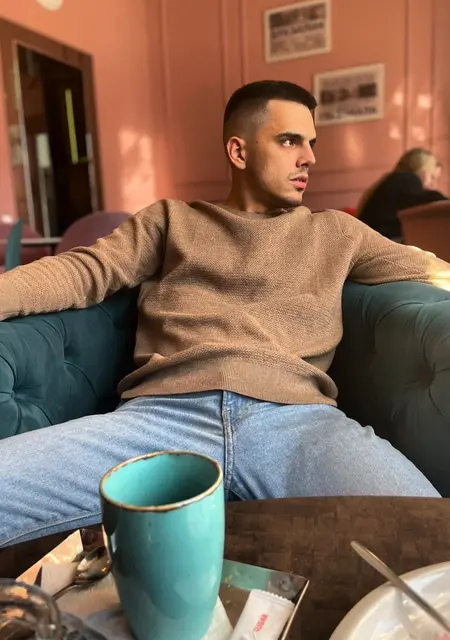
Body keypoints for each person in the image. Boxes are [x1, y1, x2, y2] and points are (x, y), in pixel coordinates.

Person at [0, 80, 449, 548]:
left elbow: (428, 269)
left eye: (311, 143)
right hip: (160, 418)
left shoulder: (337, 232)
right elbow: (84, 271)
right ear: (239, 151)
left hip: (298, 423)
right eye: (290, 140)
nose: (309, 158)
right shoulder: (169, 221)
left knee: (435, 540)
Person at [357, 148, 448, 240]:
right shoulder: (407, 178)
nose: (433, 185)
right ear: (420, 168)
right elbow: (425, 198)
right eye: (432, 177)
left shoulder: (391, 181)